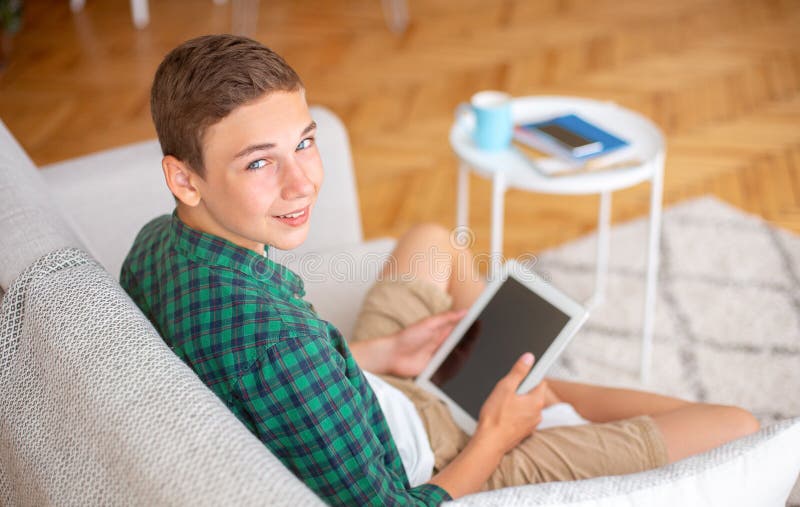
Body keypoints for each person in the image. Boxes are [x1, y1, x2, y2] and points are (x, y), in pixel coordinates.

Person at [120, 34, 760, 505]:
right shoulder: (281, 347)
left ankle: (506, 386)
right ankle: (525, 401)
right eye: (260, 163)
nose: (302, 183)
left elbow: (267, 386)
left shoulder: (155, 248)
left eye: (305, 143)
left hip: (368, 393)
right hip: (437, 452)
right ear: (185, 177)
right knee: (739, 428)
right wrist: (493, 437)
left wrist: (376, 351)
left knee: (432, 240)